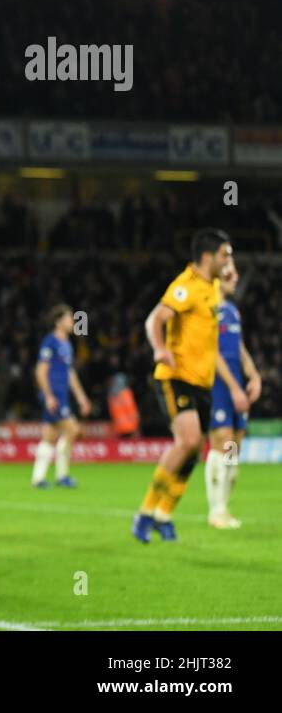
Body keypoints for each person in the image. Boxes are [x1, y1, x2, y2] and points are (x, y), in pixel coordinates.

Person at [131, 229, 240, 544]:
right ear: (208, 257)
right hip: (176, 375)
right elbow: (155, 319)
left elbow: (229, 282)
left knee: (193, 451)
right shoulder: (185, 287)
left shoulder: (213, 286)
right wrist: (159, 348)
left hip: (203, 382)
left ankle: (164, 515)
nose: (228, 261)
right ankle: (145, 513)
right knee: (189, 440)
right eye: (224, 254)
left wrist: (230, 269)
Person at [205, 261, 262, 529]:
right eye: (230, 273)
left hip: (235, 384)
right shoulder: (207, 309)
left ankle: (224, 508)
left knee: (234, 448)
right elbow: (211, 353)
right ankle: (215, 510)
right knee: (222, 442)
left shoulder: (232, 311)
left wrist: (253, 375)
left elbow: (238, 347)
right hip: (216, 384)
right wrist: (234, 387)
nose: (236, 277)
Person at [30, 304, 92, 488]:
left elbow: (70, 373)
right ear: (58, 322)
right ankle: (61, 475)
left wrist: (81, 397)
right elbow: (40, 371)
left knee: (50, 435)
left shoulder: (67, 344)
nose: (73, 321)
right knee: (72, 429)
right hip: (54, 394)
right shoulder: (50, 342)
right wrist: (48, 396)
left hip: (62, 395)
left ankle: (38, 478)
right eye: (68, 318)